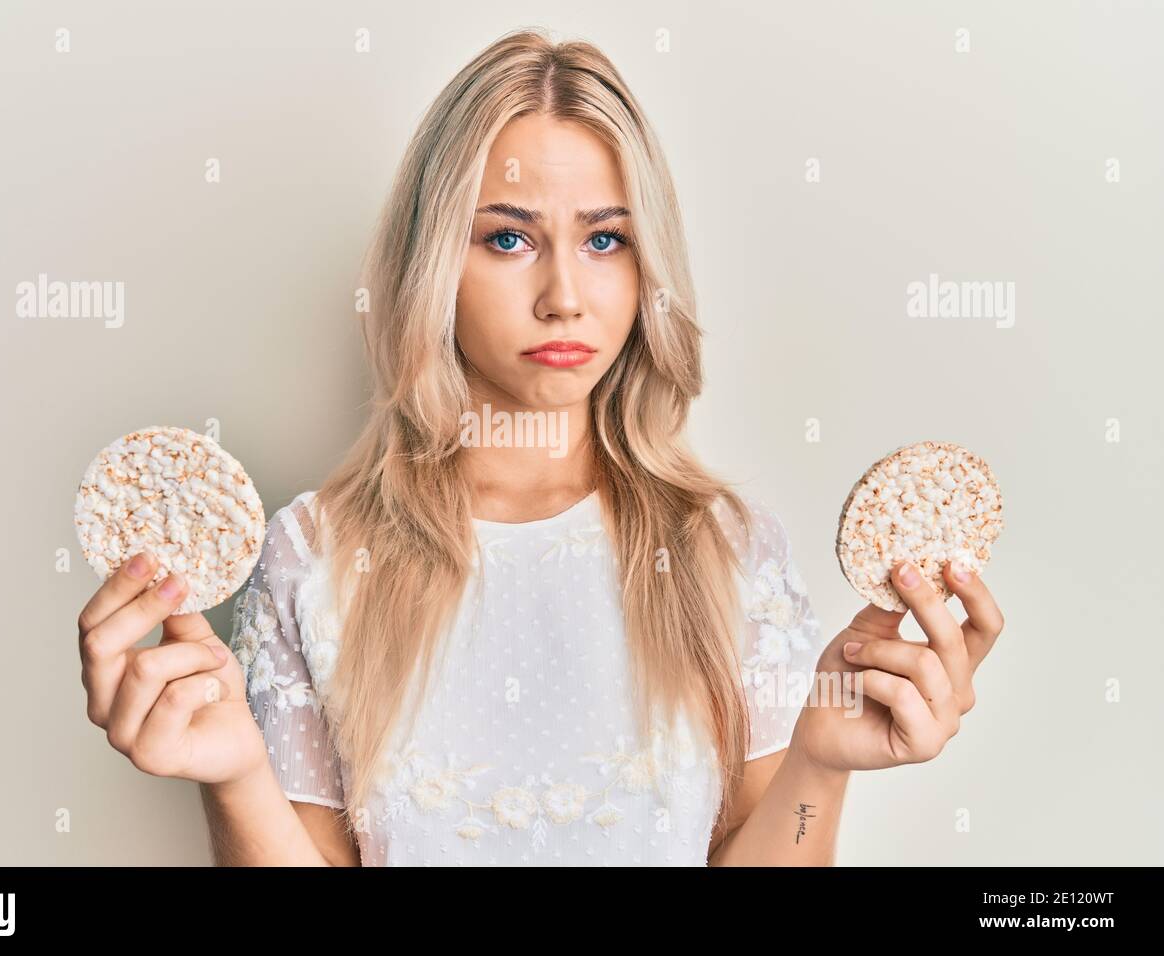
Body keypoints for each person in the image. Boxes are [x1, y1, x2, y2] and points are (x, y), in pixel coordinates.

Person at [75, 28, 1005, 866]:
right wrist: (235, 777)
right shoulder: (314, 555)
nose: (565, 294)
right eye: (510, 238)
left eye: (605, 239)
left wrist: (820, 760)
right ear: (435, 259)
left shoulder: (728, 548)